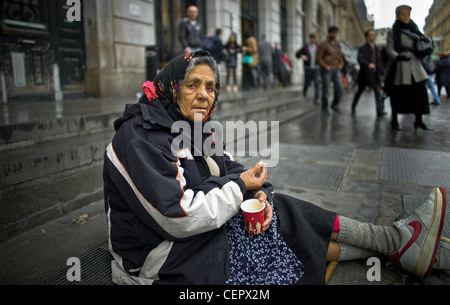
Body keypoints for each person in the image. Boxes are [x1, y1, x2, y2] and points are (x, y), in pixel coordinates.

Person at [103, 50, 449, 285]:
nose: (204, 95)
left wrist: (260, 192)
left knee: (273, 212)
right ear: (171, 86)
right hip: (157, 258)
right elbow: (178, 218)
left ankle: (401, 244)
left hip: (194, 232)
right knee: (275, 236)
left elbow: (230, 167)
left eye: (211, 87)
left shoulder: (196, 127)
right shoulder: (141, 136)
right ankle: (397, 241)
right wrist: (241, 186)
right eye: (193, 84)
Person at [383, 5, 430, 131]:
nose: (406, 17)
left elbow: (421, 43)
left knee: (419, 92)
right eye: (403, 15)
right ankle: (395, 120)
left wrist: (425, 45)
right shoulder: (394, 31)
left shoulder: (414, 30)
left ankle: (418, 121)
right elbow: (389, 48)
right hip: (401, 64)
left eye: (408, 15)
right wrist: (397, 57)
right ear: (398, 16)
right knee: (397, 93)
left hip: (415, 63)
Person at [352, 30, 386, 116]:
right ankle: (353, 106)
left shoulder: (377, 48)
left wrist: (381, 72)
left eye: (374, 35)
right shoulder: (363, 48)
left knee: (378, 92)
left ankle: (380, 110)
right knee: (360, 91)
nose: (373, 37)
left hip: (375, 74)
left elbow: (380, 61)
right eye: (371, 35)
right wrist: (368, 65)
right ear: (366, 37)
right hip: (365, 74)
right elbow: (360, 59)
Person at [317, 26, 344, 115]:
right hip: (327, 70)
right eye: (332, 32)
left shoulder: (337, 45)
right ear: (329, 33)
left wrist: (341, 63)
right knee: (326, 90)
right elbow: (319, 58)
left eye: (335, 32)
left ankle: (335, 105)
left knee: (340, 88)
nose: (334, 34)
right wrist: (325, 66)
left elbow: (340, 56)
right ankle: (325, 108)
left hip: (336, 69)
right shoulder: (324, 44)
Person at [296, 33, 321, 103]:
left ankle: (316, 98)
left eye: (314, 38)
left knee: (316, 82)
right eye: (312, 38)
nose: (313, 40)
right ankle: (305, 91)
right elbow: (297, 54)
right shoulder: (305, 47)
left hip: (316, 68)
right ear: (310, 39)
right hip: (308, 68)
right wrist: (302, 56)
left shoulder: (318, 47)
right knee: (307, 82)